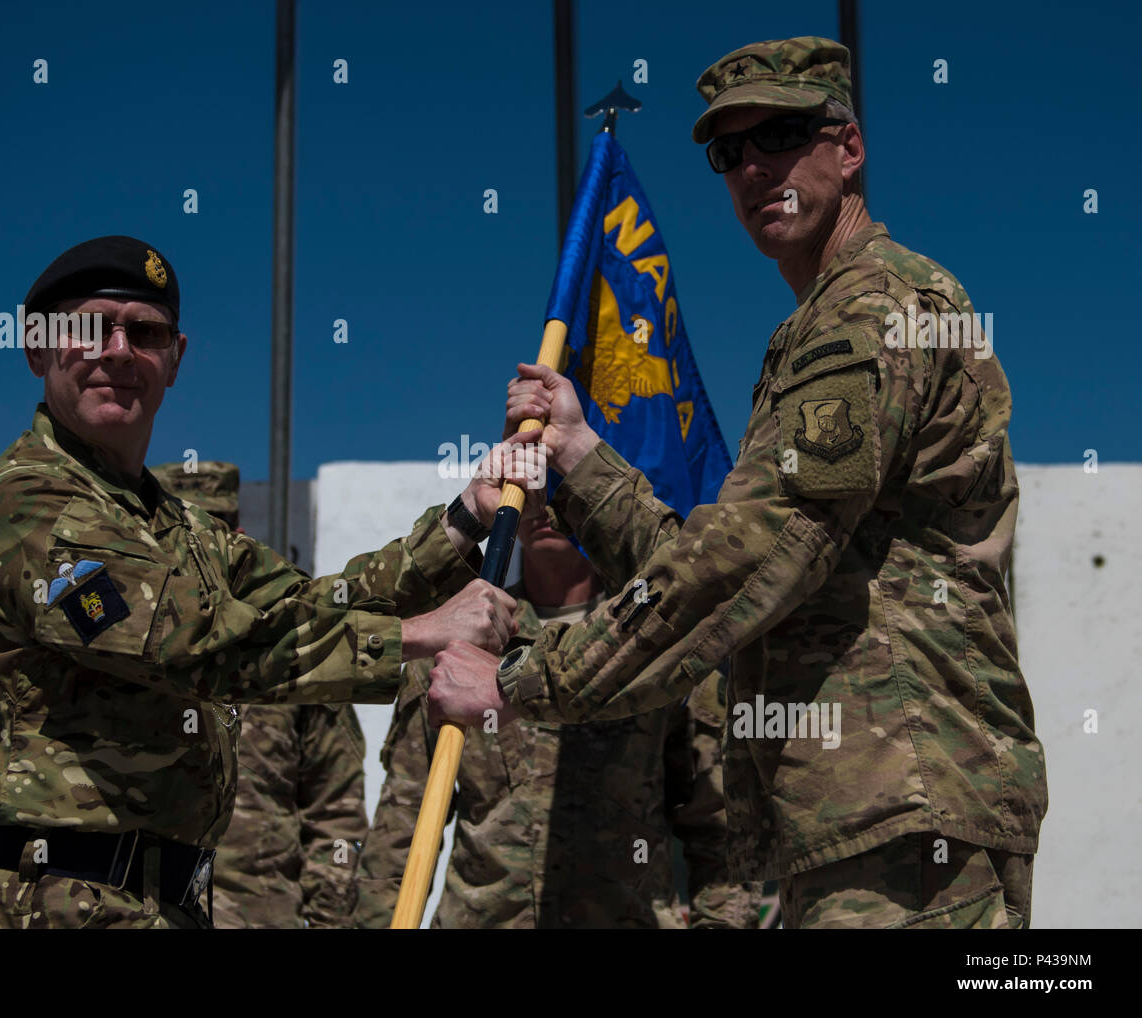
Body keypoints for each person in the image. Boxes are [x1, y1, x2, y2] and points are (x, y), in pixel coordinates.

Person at [427, 38, 1047, 929]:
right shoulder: (812, 329)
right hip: (859, 817)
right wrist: (578, 452)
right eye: (731, 152)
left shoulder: (874, 311)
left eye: (783, 136)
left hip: (906, 816)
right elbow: (731, 562)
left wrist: (524, 679)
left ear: (849, 147)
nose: (756, 168)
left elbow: (754, 554)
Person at [0, 235, 524, 929]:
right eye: (90, 327)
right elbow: (186, 644)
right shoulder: (23, 505)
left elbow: (318, 602)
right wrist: (418, 635)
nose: (117, 351)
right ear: (37, 349)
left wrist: (466, 517)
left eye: (144, 333)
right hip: (45, 903)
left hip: (167, 903)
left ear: (174, 359)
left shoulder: (184, 530)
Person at [354, 494, 759, 929]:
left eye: (562, 481)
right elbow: (402, 833)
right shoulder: (458, 648)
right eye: (532, 484)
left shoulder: (655, 646)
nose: (543, 503)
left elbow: (720, 831)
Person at [150, 459, 369, 928]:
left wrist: (329, 920)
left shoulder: (291, 646)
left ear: (237, 538)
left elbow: (335, 811)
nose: (192, 549)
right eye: (174, 531)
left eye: (210, 531)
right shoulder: (120, 648)